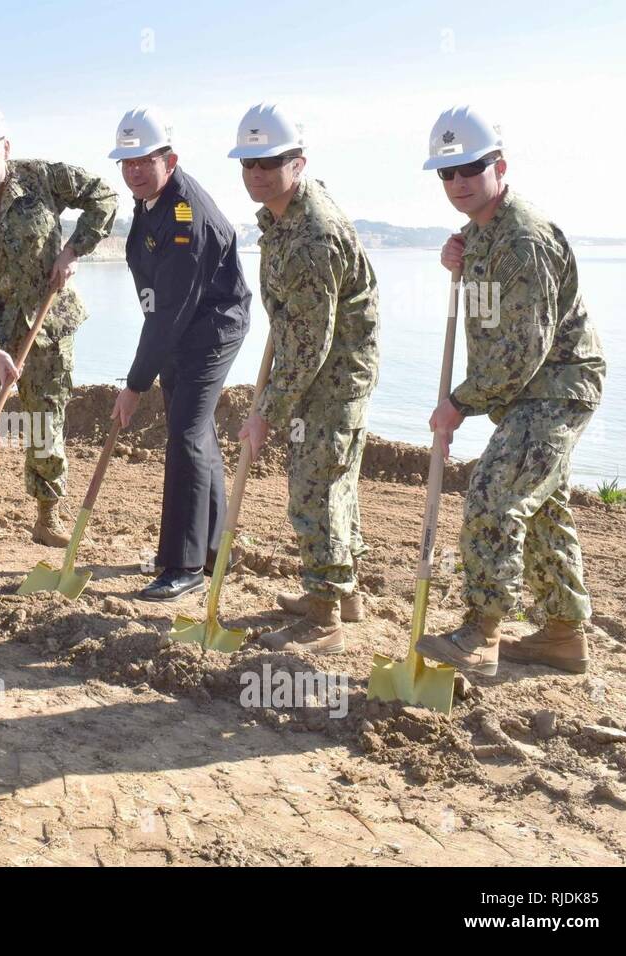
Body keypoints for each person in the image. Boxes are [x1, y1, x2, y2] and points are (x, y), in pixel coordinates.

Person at [415, 105, 606, 676]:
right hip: (530, 388)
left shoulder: (521, 238)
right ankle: (564, 635)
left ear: (499, 165)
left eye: (470, 168)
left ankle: (482, 631)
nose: (457, 183)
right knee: (541, 504)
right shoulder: (486, 232)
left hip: (556, 385)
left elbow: (520, 352)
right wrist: (463, 256)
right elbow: (491, 315)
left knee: (494, 493)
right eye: (446, 174)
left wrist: (458, 404)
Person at [0, 100, 117, 555]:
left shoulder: (40, 179)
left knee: (44, 417)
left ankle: (47, 514)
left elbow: (103, 196)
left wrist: (73, 250)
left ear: (5, 146)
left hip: (46, 320)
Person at [233, 103, 380, 654]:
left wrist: (264, 411)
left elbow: (308, 346)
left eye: (268, 162)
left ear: (298, 161)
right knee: (333, 477)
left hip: (333, 374)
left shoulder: (311, 236)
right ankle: (344, 593)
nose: (255, 173)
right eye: (248, 163)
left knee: (314, 484)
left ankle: (324, 618)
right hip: (328, 366)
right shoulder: (283, 215)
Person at [108, 106, 251, 601]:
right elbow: (162, 306)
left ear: (170, 158)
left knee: (185, 433)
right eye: (126, 163)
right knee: (197, 431)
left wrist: (134, 384)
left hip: (211, 328)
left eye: (144, 161)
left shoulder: (186, 215)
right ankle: (211, 550)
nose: (134, 171)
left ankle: (184, 564)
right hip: (177, 325)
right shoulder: (150, 201)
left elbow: (171, 311)